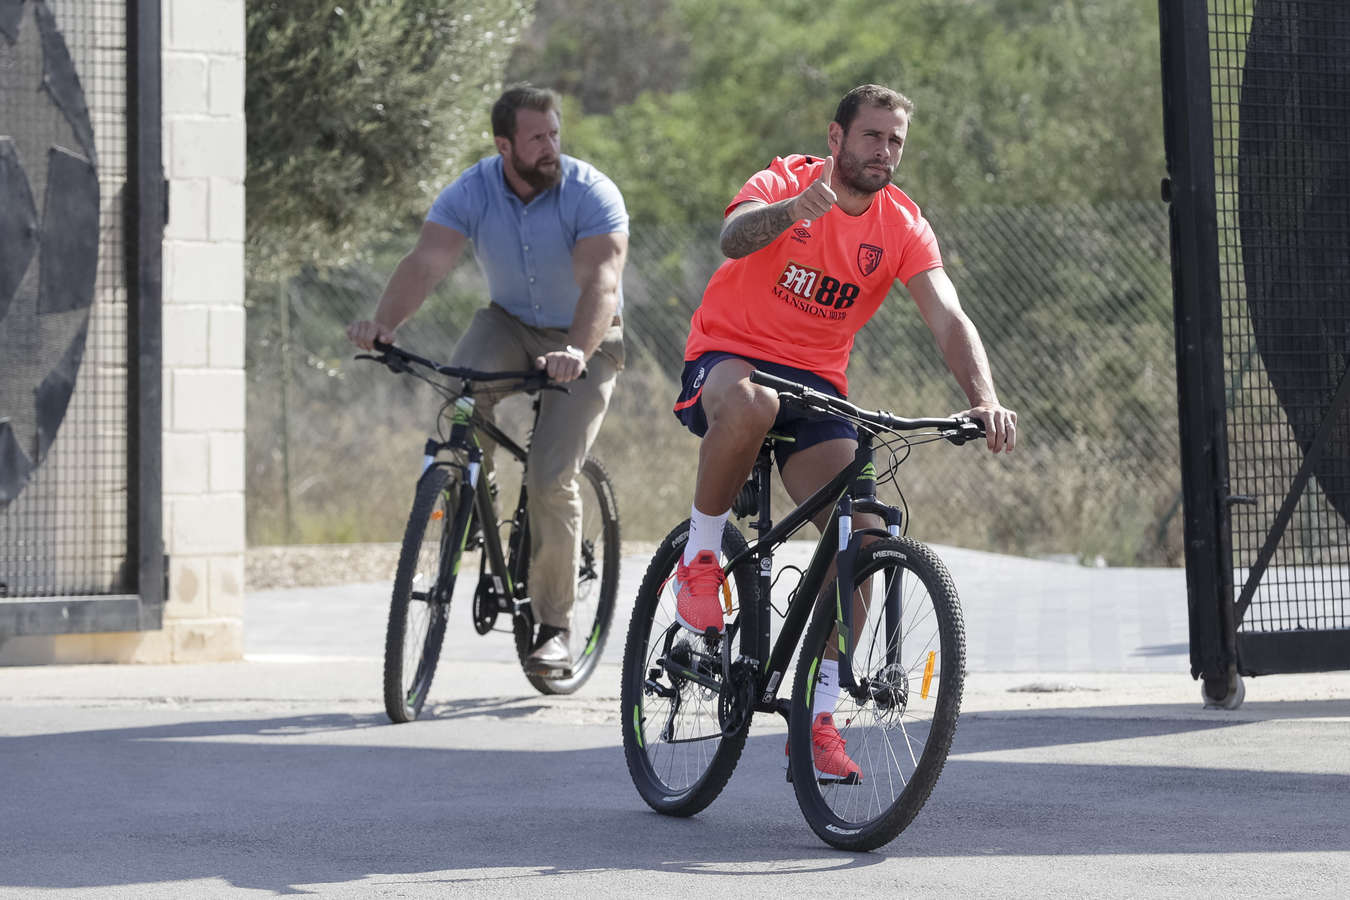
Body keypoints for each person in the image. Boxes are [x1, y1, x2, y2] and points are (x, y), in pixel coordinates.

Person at [670, 84, 1017, 780]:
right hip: (731, 357)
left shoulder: (903, 225)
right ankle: (700, 559)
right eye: (871, 137)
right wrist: (789, 214)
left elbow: (948, 317)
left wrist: (985, 398)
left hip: (817, 386)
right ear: (837, 138)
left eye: (895, 141)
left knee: (859, 541)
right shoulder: (786, 181)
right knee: (754, 405)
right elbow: (733, 236)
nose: (883, 151)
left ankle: (817, 716)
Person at [347, 85, 628, 677]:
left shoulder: (590, 192)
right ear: (505, 145)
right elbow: (427, 261)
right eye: (537, 138)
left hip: (585, 337)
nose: (551, 147)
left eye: (555, 134)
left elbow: (602, 282)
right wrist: (384, 325)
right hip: (508, 323)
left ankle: (554, 626)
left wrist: (577, 348)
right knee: (455, 403)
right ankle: (472, 498)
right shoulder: (472, 189)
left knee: (551, 476)